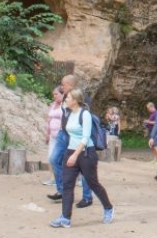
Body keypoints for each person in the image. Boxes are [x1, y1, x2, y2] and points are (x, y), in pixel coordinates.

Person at [50, 89, 114, 228]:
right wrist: (69, 153)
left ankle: (108, 208)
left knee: (93, 183)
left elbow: (85, 137)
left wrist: (74, 155)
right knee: (67, 184)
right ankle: (65, 218)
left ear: (76, 100)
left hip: (86, 153)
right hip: (71, 151)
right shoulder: (67, 113)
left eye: (68, 97)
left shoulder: (85, 114)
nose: (65, 99)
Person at [47, 75, 93, 208]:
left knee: (84, 167)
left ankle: (87, 197)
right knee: (54, 159)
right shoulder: (65, 97)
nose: (62, 87)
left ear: (71, 86)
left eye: (64, 85)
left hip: (76, 136)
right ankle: (62, 190)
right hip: (63, 134)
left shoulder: (82, 98)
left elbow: (84, 116)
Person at [44, 86, 63, 186]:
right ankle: (52, 178)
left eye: (56, 94)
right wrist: (47, 133)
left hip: (60, 136)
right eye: (54, 94)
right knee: (50, 157)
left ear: (62, 94)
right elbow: (49, 120)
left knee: (58, 158)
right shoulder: (53, 105)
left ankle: (59, 179)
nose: (54, 96)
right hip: (52, 135)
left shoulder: (64, 106)